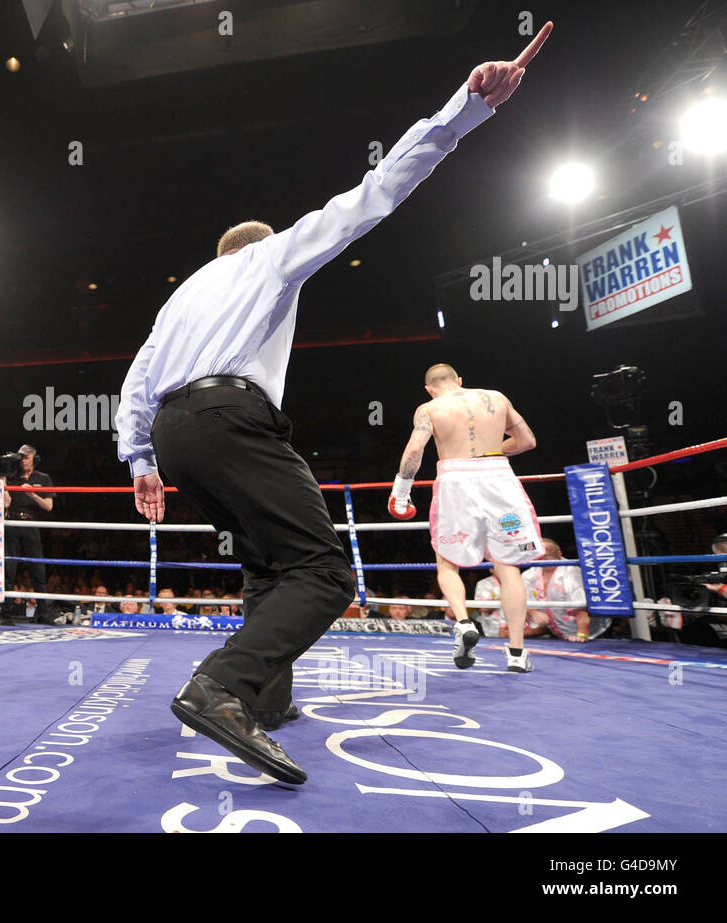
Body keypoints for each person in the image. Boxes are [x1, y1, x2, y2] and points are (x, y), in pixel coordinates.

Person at [116, 25, 554, 785]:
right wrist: (463, 112)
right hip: (229, 420)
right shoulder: (271, 255)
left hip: (175, 434)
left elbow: (135, 379)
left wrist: (141, 461)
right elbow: (373, 195)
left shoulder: (183, 292)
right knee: (322, 570)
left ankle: (268, 700)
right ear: (259, 246)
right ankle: (221, 686)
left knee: (266, 563)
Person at [389, 363, 541, 672]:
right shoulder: (497, 397)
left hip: (455, 478)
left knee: (447, 561)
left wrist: (400, 493)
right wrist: (488, 452)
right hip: (499, 475)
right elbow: (527, 441)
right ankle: (516, 653)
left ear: (430, 388)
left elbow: (414, 451)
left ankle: (463, 622)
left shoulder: (429, 408)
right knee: (507, 565)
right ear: (459, 380)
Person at [3, 445, 56, 625]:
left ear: (34, 457)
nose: (23, 459)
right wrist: (3, 485)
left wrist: (32, 494)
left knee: (37, 569)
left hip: (31, 524)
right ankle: (6, 614)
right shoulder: (11, 477)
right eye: (20, 457)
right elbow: (5, 503)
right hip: (12, 522)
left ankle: (43, 614)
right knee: (9, 567)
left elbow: (49, 506)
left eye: (26, 456)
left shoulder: (43, 478)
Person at [525, 537, 609, 642]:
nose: (543, 555)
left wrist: (582, 635)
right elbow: (520, 599)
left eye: (547, 551)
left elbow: (581, 607)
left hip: (592, 634)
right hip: (559, 634)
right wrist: (533, 612)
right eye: (539, 552)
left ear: (559, 553)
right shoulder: (529, 575)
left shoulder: (571, 573)